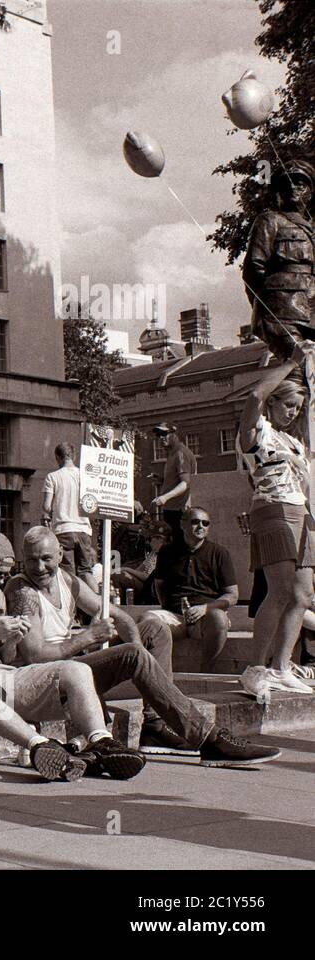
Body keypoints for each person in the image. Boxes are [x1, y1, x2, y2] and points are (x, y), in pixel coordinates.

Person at [5, 526, 279, 766]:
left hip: (74, 671)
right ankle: (207, 738)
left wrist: (137, 654)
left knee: (155, 628)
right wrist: (90, 638)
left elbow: (119, 616)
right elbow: (35, 656)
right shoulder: (23, 592)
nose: (39, 567)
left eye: (46, 559)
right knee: (134, 654)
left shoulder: (66, 580)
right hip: (47, 683)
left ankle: (154, 725)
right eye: (31, 560)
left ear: (60, 556)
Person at [0, 530, 147, 782]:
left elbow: (4, 656)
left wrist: (11, 639)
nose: (1, 581)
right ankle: (39, 746)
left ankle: (102, 743)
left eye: (5, 575)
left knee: (76, 670)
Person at [237, 345, 315, 699]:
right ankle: (254, 668)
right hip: (273, 509)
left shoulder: (295, 442)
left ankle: (281, 667)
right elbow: (255, 393)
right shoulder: (258, 432)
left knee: (302, 594)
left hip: (301, 512)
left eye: (297, 407)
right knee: (280, 589)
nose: (292, 412)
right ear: (273, 403)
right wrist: (292, 364)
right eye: (287, 404)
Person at [138, 507, 237, 674]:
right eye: (195, 522)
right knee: (147, 619)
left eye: (205, 523)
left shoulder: (220, 553)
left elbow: (233, 595)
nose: (201, 526)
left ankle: (205, 673)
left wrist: (205, 608)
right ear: (182, 524)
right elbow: (159, 585)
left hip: (205, 617)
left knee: (219, 618)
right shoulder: (167, 552)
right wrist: (168, 606)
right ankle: (157, 678)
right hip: (176, 616)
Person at [243, 159, 315, 359]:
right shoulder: (270, 221)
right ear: (279, 192)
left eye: (300, 183)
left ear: (310, 192)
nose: (293, 187)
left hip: (311, 311)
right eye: (287, 183)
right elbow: (253, 269)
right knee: (300, 365)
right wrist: (266, 305)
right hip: (282, 310)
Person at [42, 442, 97, 592]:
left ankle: (72, 611)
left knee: (67, 573)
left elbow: (47, 506)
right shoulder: (85, 476)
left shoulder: (52, 477)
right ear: (73, 456)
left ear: (57, 457)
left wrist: (49, 513)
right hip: (84, 529)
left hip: (63, 529)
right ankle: (100, 606)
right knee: (86, 571)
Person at [149, 422, 196, 546]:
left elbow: (185, 483)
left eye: (164, 433)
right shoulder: (173, 454)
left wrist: (165, 497)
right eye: (158, 434)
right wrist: (160, 479)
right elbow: (177, 481)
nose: (160, 437)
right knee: (172, 546)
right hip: (171, 509)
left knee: (179, 546)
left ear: (174, 434)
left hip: (179, 510)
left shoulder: (181, 453)